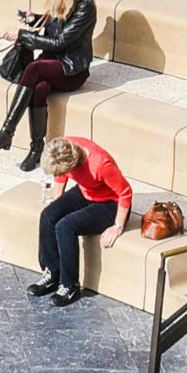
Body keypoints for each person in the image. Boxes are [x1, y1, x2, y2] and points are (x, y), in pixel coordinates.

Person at [0, 0, 99, 154]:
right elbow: (56, 26)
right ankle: (36, 150)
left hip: (71, 71)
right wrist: (32, 18)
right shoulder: (62, 1)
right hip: (51, 62)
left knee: (33, 69)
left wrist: (23, 35)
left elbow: (60, 42)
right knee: (40, 88)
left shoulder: (85, 7)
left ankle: (7, 132)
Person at [34, 132, 132, 307]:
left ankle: (69, 285)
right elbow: (60, 175)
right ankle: (52, 273)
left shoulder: (100, 164)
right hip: (86, 191)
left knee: (66, 226)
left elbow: (125, 192)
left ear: (72, 164)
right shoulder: (63, 147)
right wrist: (58, 204)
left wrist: (117, 226)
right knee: (48, 215)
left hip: (110, 203)